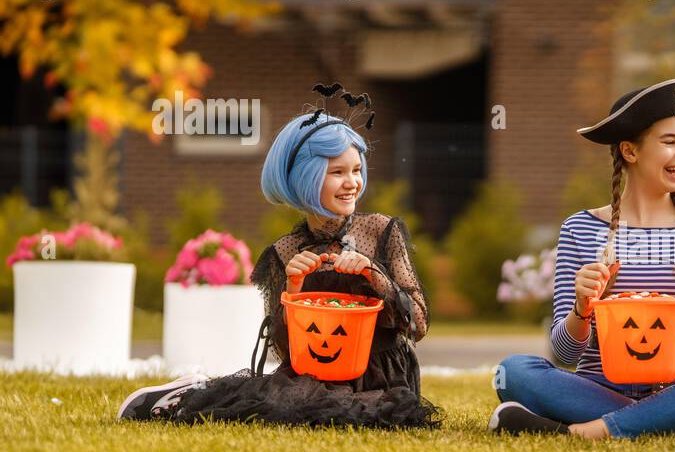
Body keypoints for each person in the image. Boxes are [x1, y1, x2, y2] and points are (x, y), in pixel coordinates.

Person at [117, 87, 440, 429]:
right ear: (306, 177)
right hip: (317, 375)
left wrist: (375, 275)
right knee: (278, 404)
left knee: (360, 414)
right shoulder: (286, 251)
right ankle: (185, 397)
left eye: (356, 170)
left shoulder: (380, 230)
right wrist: (293, 288)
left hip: (382, 376)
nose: (352, 183)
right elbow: (288, 351)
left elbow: (419, 324)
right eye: (337, 172)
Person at [489, 77, 675, 440]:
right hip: (595, 387)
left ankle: (586, 431)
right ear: (630, 151)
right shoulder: (580, 229)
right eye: (670, 142)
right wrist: (581, 307)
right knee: (514, 371)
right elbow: (563, 354)